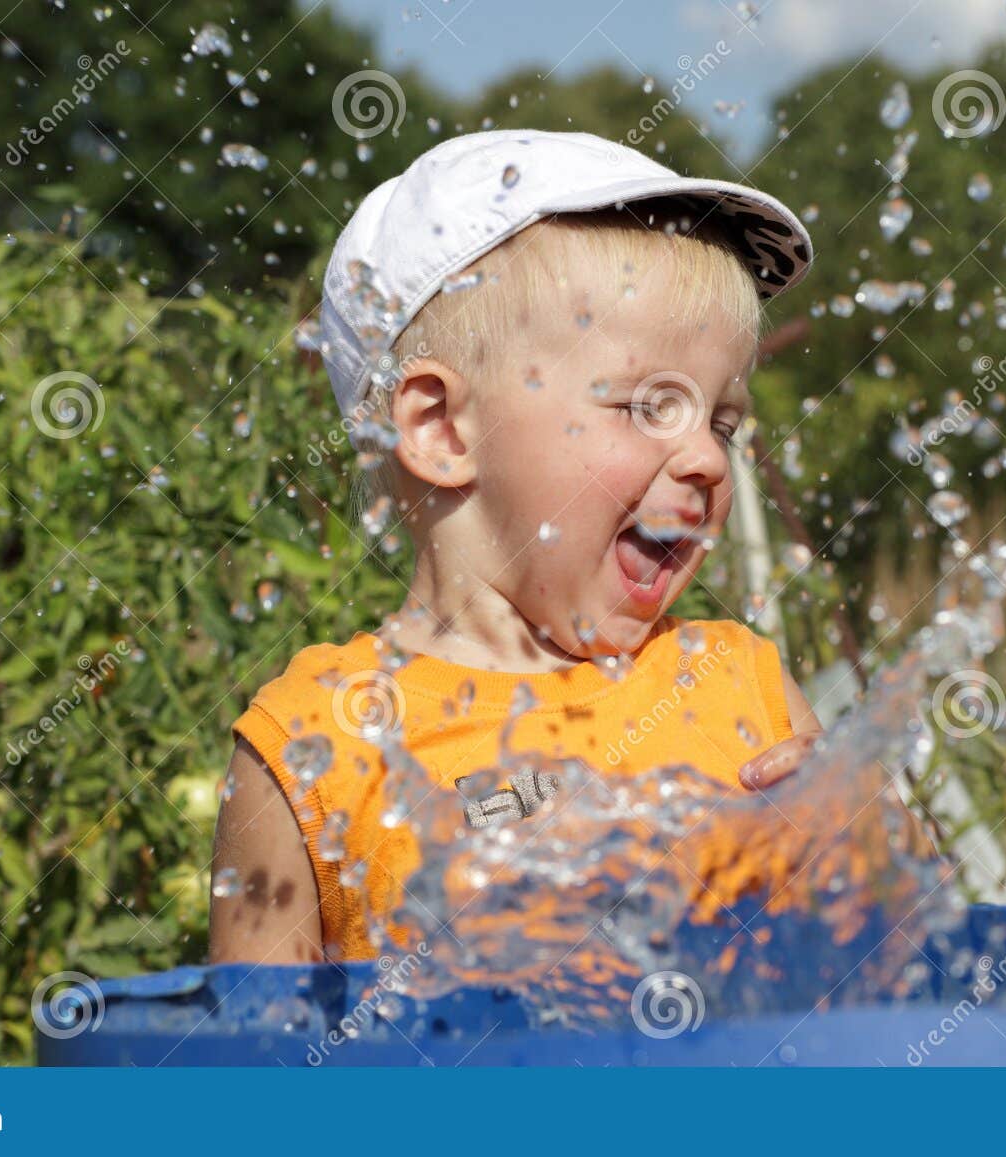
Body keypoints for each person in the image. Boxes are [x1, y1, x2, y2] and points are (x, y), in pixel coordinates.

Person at [211, 129, 825, 964]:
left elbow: (910, 998)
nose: (712, 458)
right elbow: (248, 1080)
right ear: (441, 428)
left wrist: (874, 854)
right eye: (648, 405)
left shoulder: (741, 690)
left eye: (722, 420)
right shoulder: (321, 743)